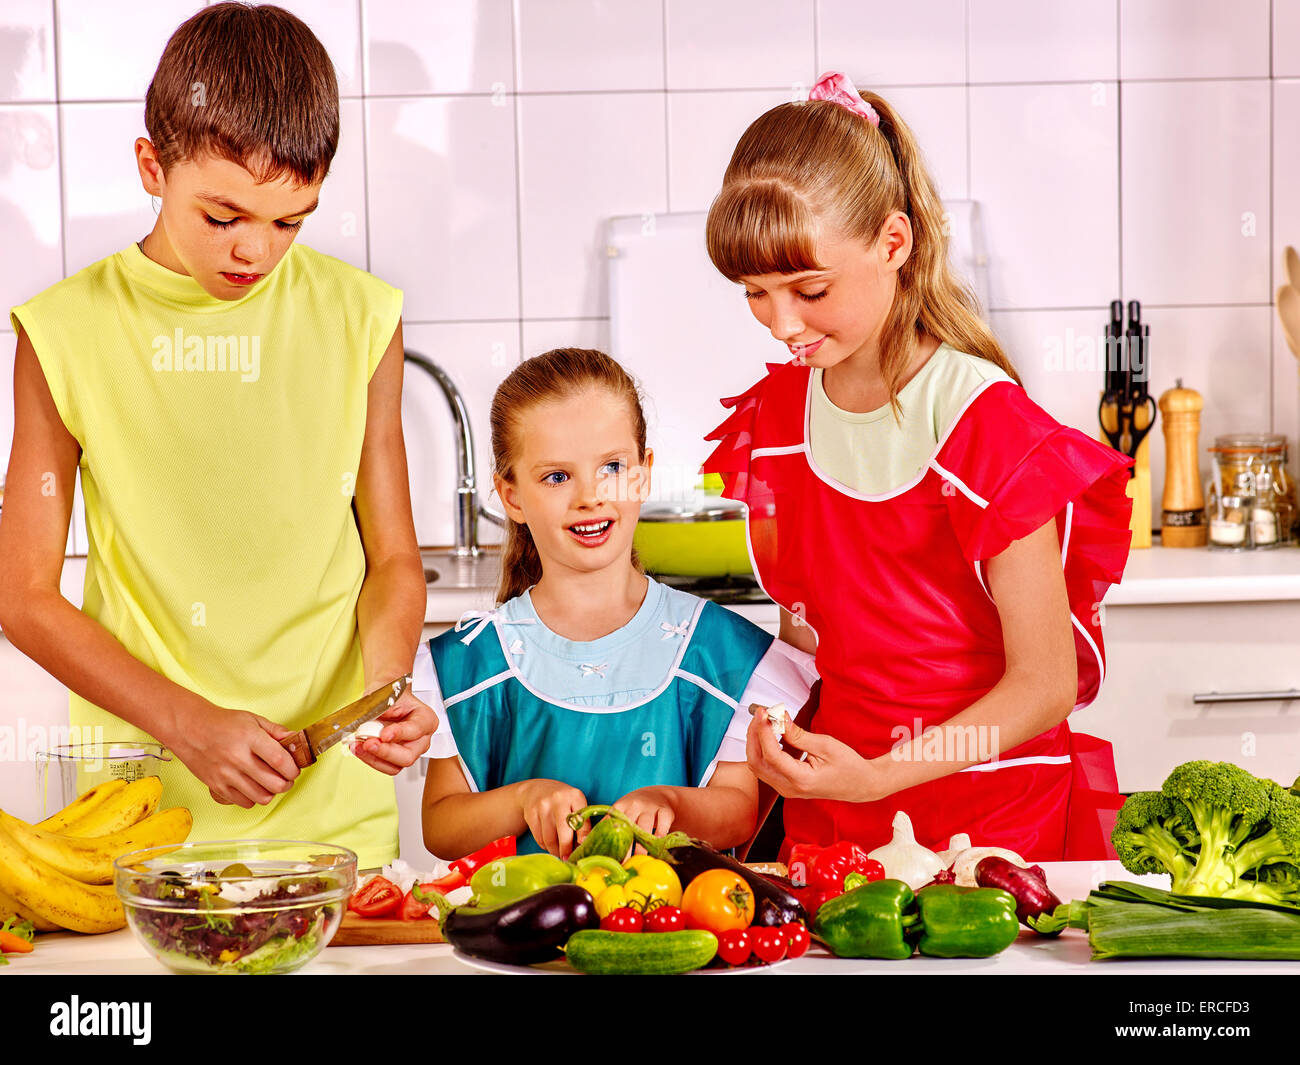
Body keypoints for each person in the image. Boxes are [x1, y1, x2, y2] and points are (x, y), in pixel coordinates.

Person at [0, 4, 435, 868]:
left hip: (335, 804)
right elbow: (24, 597)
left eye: (290, 221)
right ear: (152, 167)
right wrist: (187, 724)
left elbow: (393, 558)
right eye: (223, 215)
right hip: (146, 802)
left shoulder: (361, 317)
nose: (256, 253)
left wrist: (384, 694)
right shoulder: (63, 333)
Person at [702, 72, 1134, 863]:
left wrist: (882, 774)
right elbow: (808, 634)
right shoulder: (778, 421)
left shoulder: (983, 422)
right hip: (837, 820)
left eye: (810, 288)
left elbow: (1045, 682)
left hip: (990, 830)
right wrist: (759, 737)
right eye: (756, 294)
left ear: (893, 243)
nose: (781, 323)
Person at [417, 348, 817, 859]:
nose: (590, 496)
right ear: (511, 496)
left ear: (644, 474)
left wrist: (670, 801)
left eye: (611, 467)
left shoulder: (720, 651)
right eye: (556, 477)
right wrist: (522, 799)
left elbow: (738, 810)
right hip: (519, 933)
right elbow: (441, 827)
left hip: (672, 929)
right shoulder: (468, 663)